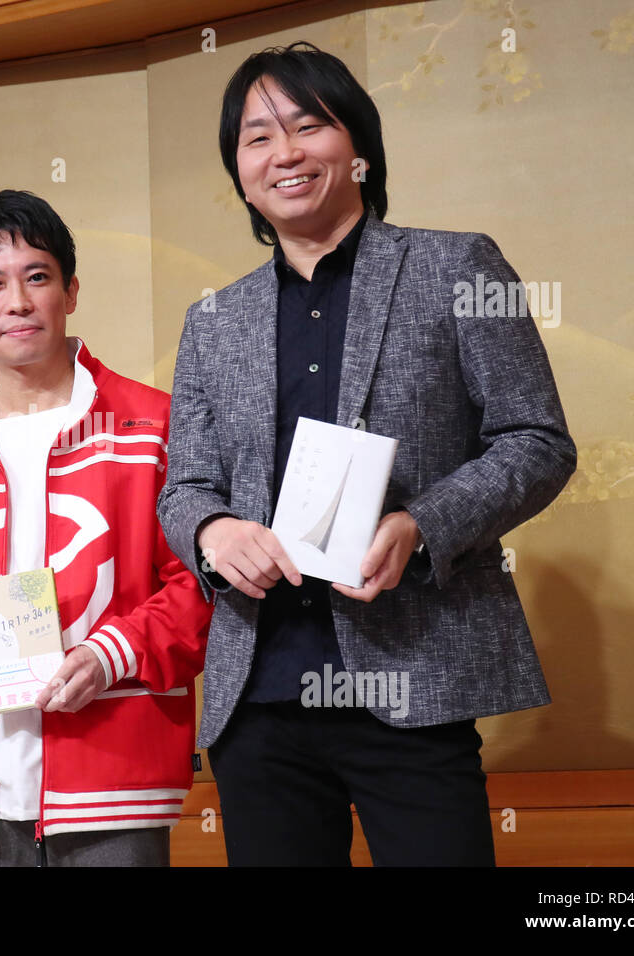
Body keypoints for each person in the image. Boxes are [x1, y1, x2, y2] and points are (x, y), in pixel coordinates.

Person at [156, 43, 576, 866]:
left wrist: (421, 524)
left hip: (412, 679)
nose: (284, 152)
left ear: (359, 149)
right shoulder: (214, 320)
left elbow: (537, 439)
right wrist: (210, 534)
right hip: (260, 695)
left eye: (309, 125)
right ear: (240, 172)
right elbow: (185, 485)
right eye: (257, 137)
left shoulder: (456, 266)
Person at [0, 189, 211, 866]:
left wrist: (108, 654)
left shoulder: (153, 430)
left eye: (38, 277)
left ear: (71, 291)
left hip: (113, 777)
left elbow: (201, 585)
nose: (18, 302)